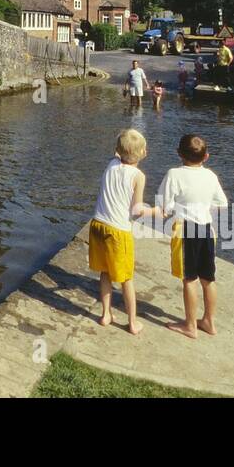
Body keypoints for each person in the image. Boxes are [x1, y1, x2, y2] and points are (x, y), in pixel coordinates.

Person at [157, 134, 229, 340]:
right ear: (206, 156)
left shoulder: (174, 174)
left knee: (189, 279)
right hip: (206, 228)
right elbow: (222, 203)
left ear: (179, 153)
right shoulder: (211, 176)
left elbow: (165, 205)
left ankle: (190, 325)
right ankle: (209, 321)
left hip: (186, 229)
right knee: (208, 278)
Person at [88, 129, 156, 334]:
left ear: (117, 151)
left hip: (98, 224)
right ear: (144, 153)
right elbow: (136, 209)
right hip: (118, 230)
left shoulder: (111, 164)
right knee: (126, 278)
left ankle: (106, 314)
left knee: (105, 271)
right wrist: (155, 211)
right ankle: (133, 322)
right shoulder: (138, 176)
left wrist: (121, 145)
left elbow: (118, 152)